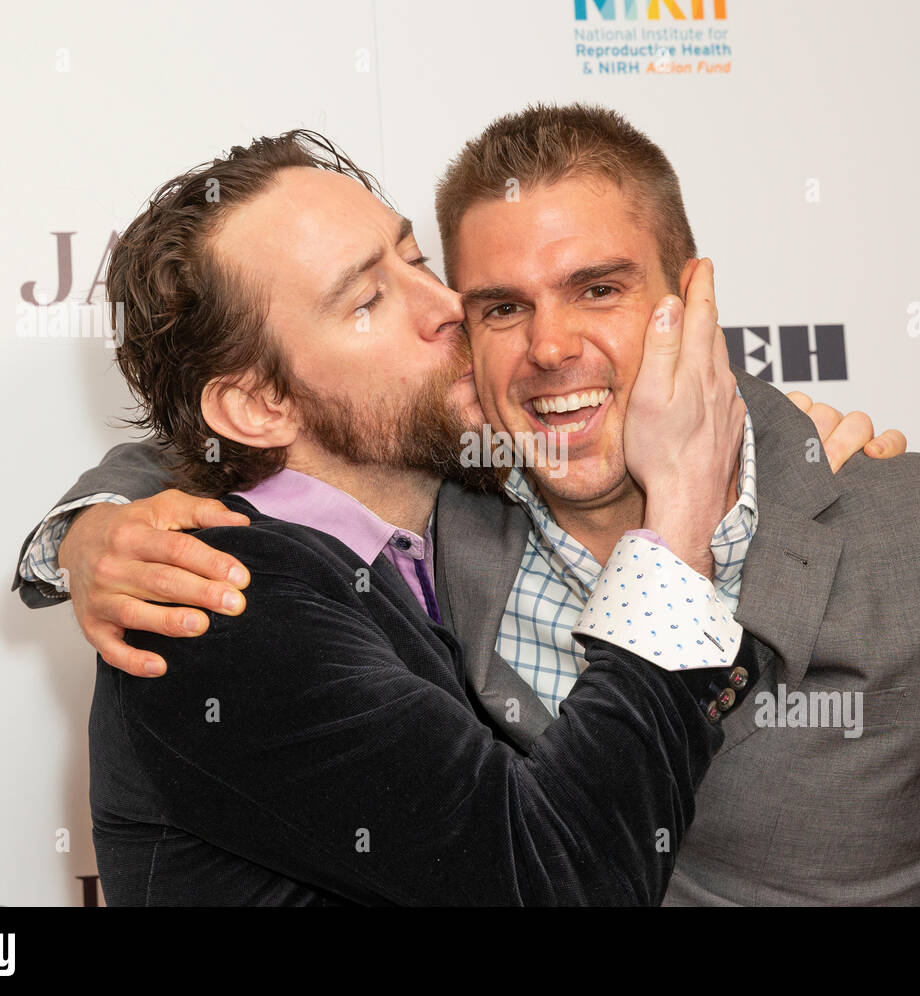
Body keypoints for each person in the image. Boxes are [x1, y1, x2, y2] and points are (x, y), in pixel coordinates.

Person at [30, 104, 920, 905]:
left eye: (600, 289)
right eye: (495, 304)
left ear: (692, 296)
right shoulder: (294, 568)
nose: (479, 323)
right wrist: (79, 537)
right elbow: (546, 873)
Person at [41, 127, 813, 906]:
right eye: (368, 300)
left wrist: (786, 449)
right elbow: (561, 885)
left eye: (415, 261)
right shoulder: (220, 607)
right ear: (258, 405)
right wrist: (679, 522)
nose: (453, 308)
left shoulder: (442, 525)